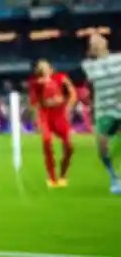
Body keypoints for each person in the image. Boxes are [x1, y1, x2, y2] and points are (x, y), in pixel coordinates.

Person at [81, 34, 121, 195]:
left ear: (106, 42)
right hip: (104, 109)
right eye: (92, 43)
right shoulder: (88, 66)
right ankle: (113, 176)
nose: (96, 44)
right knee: (102, 147)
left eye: (98, 40)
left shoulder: (118, 58)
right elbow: (89, 86)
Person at [28, 59, 77, 188]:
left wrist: (68, 107)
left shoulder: (61, 78)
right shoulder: (35, 83)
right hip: (46, 115)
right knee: (47, 142)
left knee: (69, 146)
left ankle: (63, 174)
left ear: (51, 68)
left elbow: (72, 93)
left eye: (46, 67)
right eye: (41, 68)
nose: (44, 70)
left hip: (59, 114)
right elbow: (34, 102)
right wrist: (36, 118)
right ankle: (52, 177)